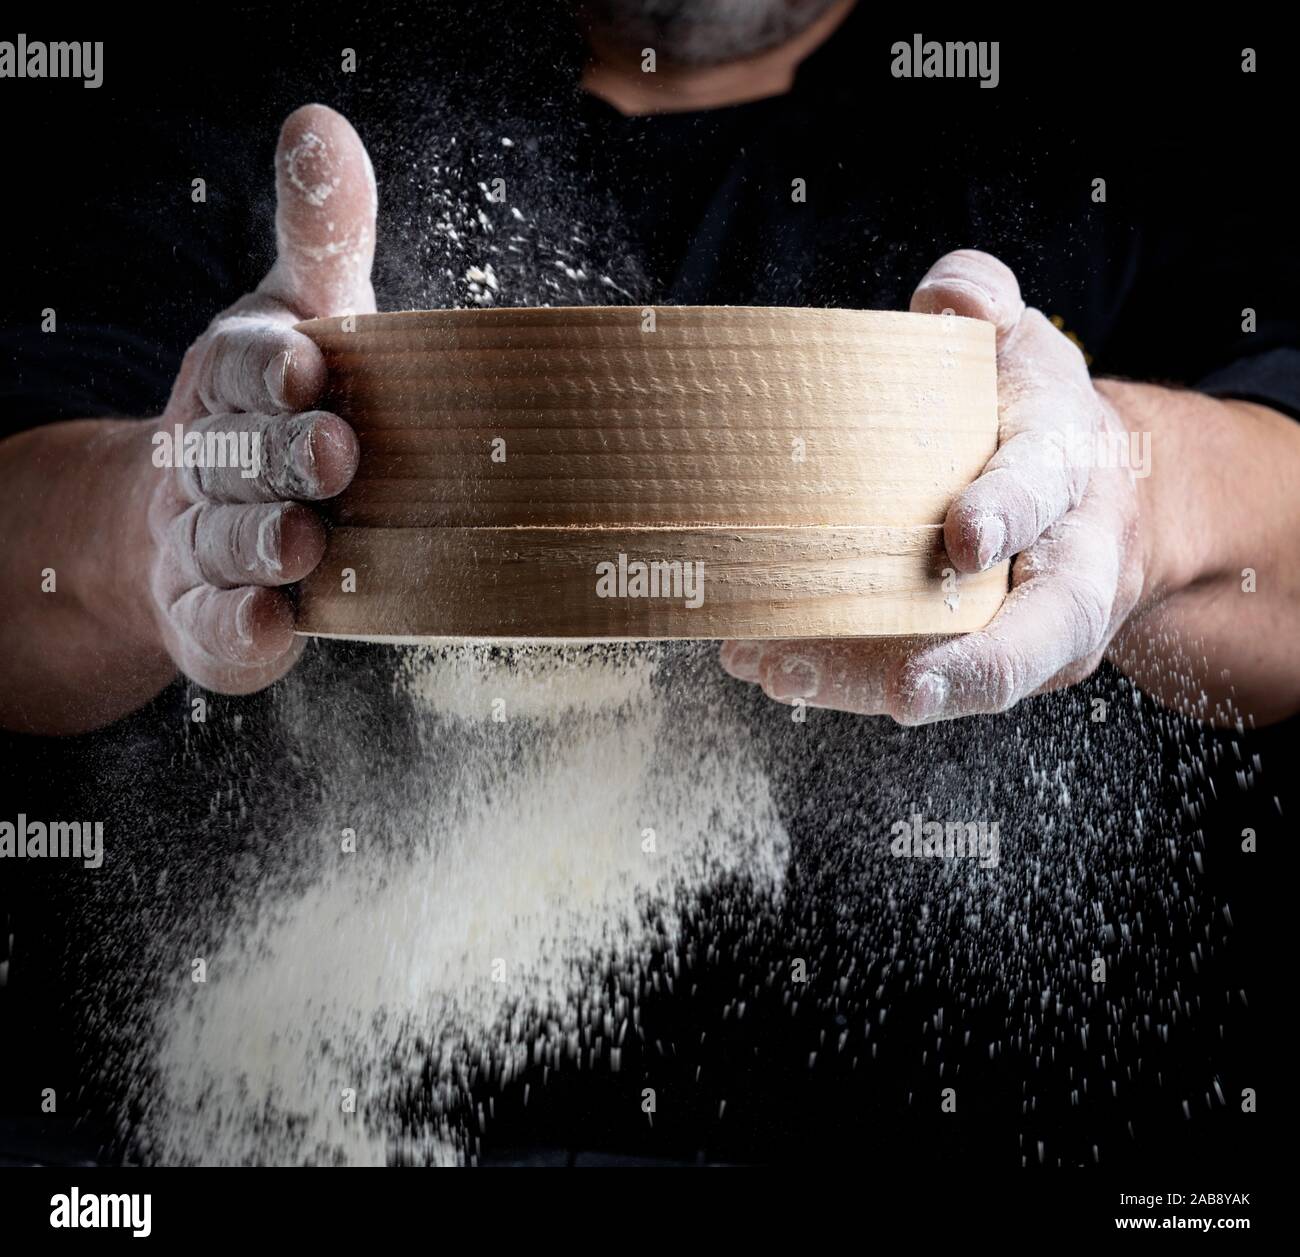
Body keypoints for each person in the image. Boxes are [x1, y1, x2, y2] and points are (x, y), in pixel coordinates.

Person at [0, 1, 1290, 1169]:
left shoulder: (1112, 99)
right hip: (286, 1122)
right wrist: (160, 521)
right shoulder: (240, 67)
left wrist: (1139, 490)